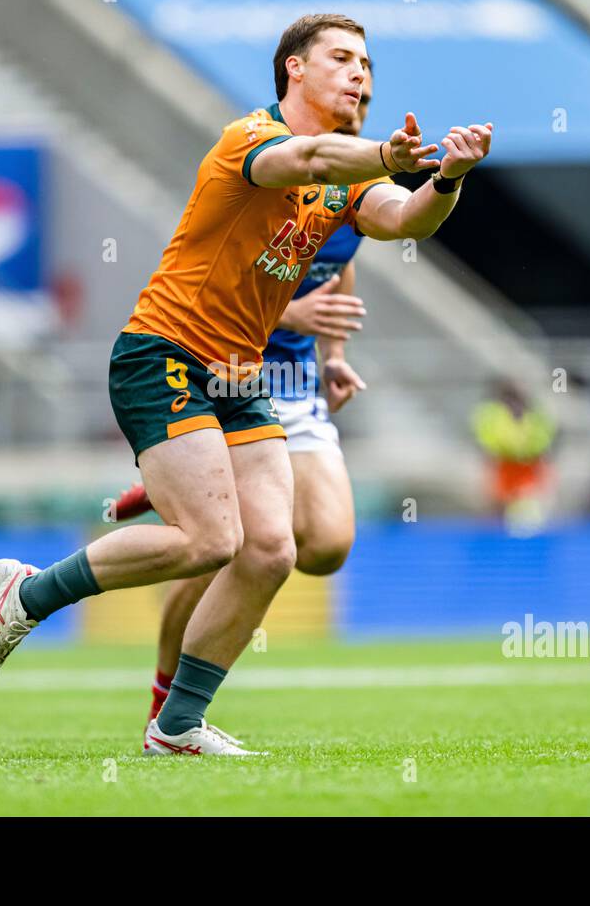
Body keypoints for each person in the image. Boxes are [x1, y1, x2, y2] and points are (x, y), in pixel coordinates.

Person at [0, 13, 492, 755]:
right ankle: (26, 594)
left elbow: (408, 220)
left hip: (238, 373)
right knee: (209, 541)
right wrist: (382, 151)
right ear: (293, 71)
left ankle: (176, 725)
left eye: (366, 62)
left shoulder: (352, 176)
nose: (360, 72)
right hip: (164, 354)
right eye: (341, 57)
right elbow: (305, 159)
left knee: (272, 548)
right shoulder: (251, 139)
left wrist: (447, 177)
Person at [112, 66, 377, 732]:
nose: (359, 102)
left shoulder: (349, 195)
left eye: (369, 97)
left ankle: (184, 482)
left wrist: (335, 358)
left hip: (289, 382)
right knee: (228, 545)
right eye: (351, 84)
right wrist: (295, 318)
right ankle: (167, 704)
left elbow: (336, 275)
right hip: (229, 367)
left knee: (326, 544)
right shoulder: (266, 154)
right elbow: (237, 287)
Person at [472, 379, 555, 528]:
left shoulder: (536, 416)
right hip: (504, 466)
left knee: (527, 510)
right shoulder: (493, 415)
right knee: (497, 508)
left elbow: (542, 442)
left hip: (528, 467)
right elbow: (489, 442)